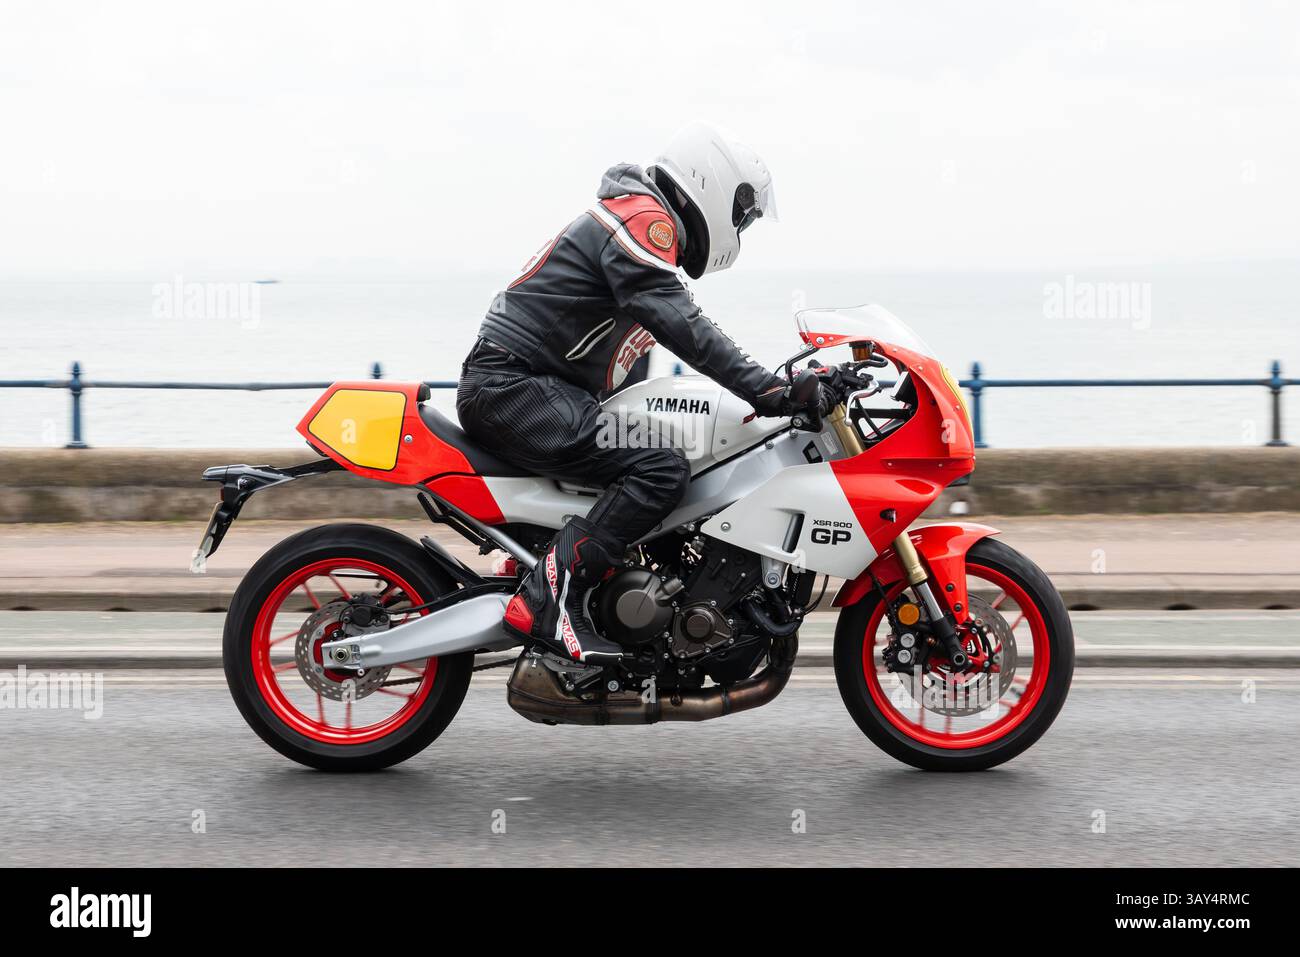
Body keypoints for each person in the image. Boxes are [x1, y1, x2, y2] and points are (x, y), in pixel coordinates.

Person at [457, 122, 798, 663]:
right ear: (709, 183)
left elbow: (640, 371)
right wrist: (772, 389)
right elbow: (685, 326)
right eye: (741, 214)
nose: (738, 228)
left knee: (668, 447)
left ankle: (584, 584)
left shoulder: (634, 225)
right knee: (662, 465)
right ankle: (550, 598)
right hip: (514, 389)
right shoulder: (642, 220)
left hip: (532, 392)